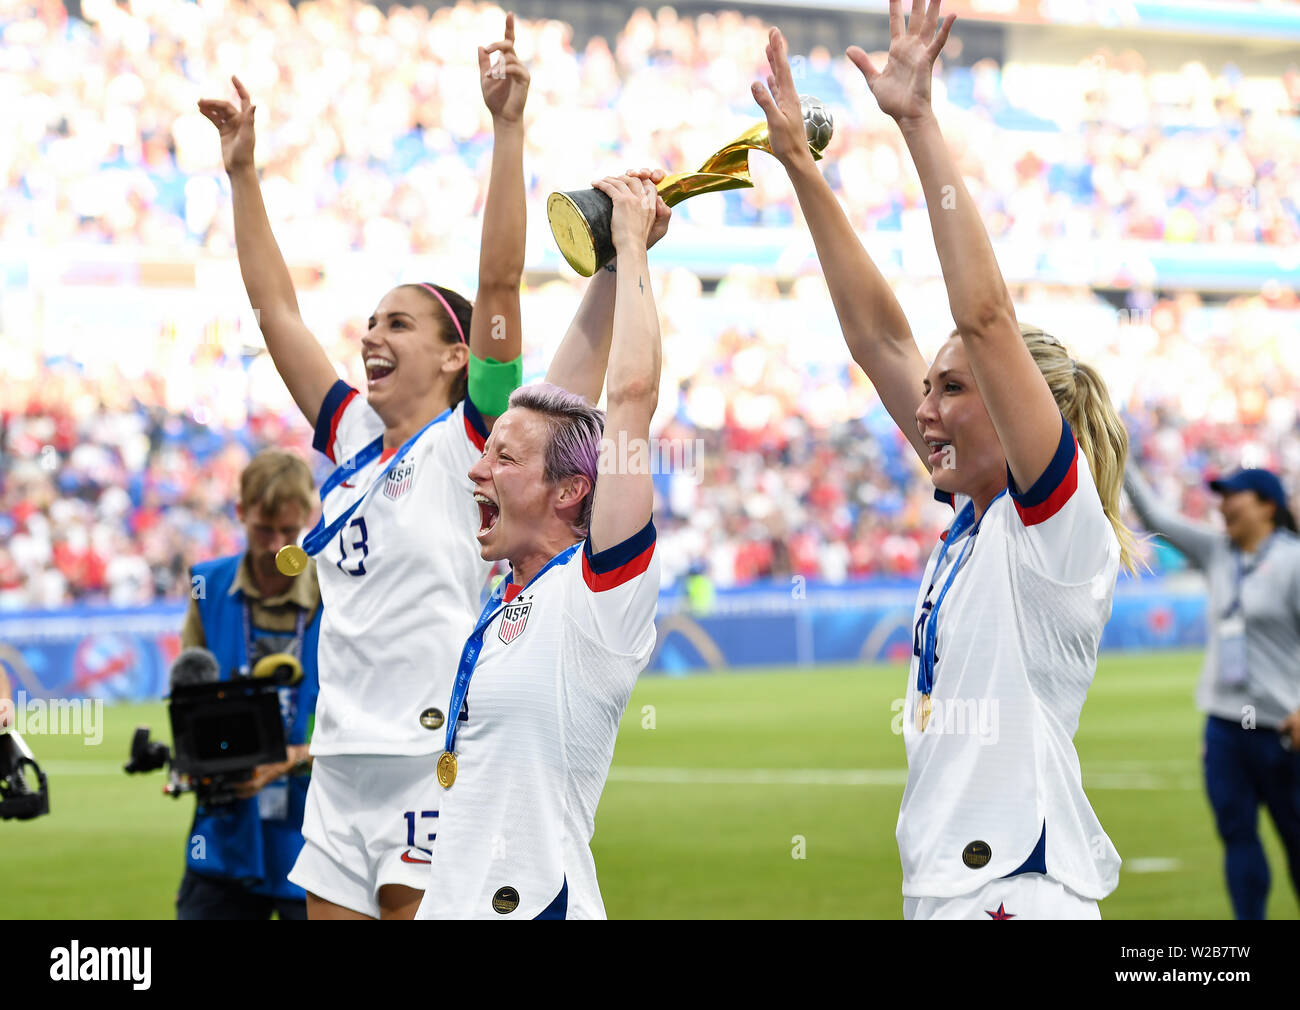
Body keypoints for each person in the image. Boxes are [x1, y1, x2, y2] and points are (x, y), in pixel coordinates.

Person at [754, 1, 1138, 918]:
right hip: (954, 889)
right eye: (931, 390)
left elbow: (985, 319)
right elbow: (880, 338)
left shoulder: (1052, 530)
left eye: (954, 391)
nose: (924, 410)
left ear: (1021, 413)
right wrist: (803, 171)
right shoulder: (977, 523)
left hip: (1015, 891)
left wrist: (917, 124)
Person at [197, 15, 529, 920]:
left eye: (398, 324)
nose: (370, 336)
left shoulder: (476, 438)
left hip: (433, 764)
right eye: (371, 323)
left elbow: (498, 288)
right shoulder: (349, 445)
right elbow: (276, 313)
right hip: (339, 766)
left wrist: (507, 131)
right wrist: (241, 172)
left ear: (457, 356)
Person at [414, 171, 665, 919]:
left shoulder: (598, 598)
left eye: (503, 460)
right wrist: (612, 268)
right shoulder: (511, 596)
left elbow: (627, 404)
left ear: (569, 493)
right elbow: (555, 407)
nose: (478, 468)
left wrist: (633, 247)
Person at [1125, 463, 1300, 918]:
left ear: (1267, 504)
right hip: (1226, 727)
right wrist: (1118, 452)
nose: (1222, 504)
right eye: (1220, 496)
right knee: (1237, 838)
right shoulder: (1217, 551)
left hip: (1283, 730)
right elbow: (1156, 517)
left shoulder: (1293, 561)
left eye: (1233, 495)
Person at [177, 449, 321, 921]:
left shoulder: (337, 593)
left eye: (289, 532)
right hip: (224, 833)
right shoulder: (208, 587)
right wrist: (193, 760)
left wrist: (290, 759)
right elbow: (190, 700)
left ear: (307, 519)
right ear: (240, 512)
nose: (278, 545)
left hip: (315, 837)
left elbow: (369, 717)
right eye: (264, 530)